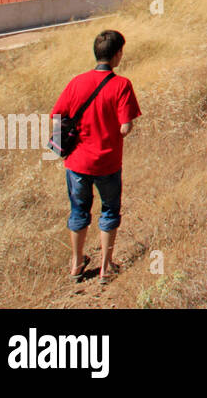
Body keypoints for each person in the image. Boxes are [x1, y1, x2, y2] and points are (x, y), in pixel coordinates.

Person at [52, 29, 142, 283]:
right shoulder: (122, 85)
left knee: (79, 210)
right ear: (117, 55)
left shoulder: (76, 82)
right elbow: (125, 127)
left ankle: (76, 263)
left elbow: (58, 115)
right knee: (109, 210)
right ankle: (106, 266)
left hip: (77, 163)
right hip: (108, 163)